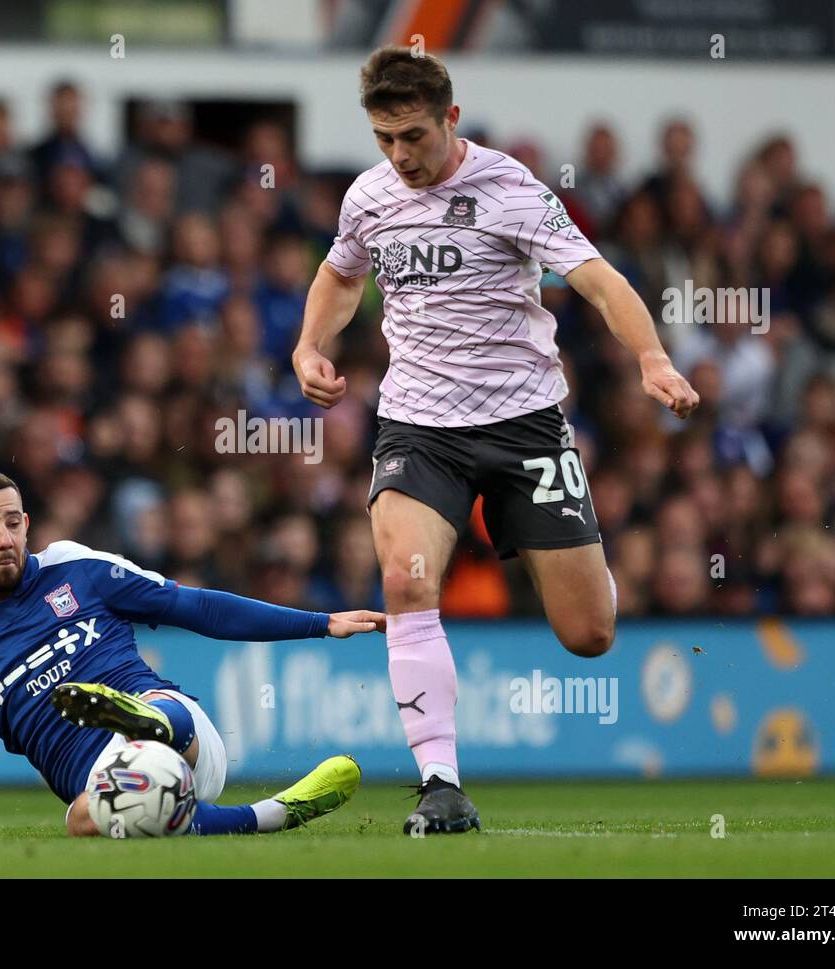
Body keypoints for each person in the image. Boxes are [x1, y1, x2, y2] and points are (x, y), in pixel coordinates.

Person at [292, 46, 699, 835]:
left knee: (589, 634)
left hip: (526, 425)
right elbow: (342, 275)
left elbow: (598, 279)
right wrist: (311, 345)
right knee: (407, 582)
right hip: (419, 426)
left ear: (451, 117)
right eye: (384, 138)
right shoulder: (369, 196)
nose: (399, 156)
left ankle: (583, 554)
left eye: (413, 136)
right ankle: (439, 783)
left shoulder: (511, 189)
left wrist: (651, 356)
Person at [0, 469, 383, 841]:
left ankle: (148, 721)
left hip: (193, 740)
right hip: (114, 788)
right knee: (84, 819)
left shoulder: (76, 569)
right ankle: (274, 814)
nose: (5, 539)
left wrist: (320, 622)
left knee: (153, 719)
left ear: (27, 522)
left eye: (13, 523)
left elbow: (196, 608)